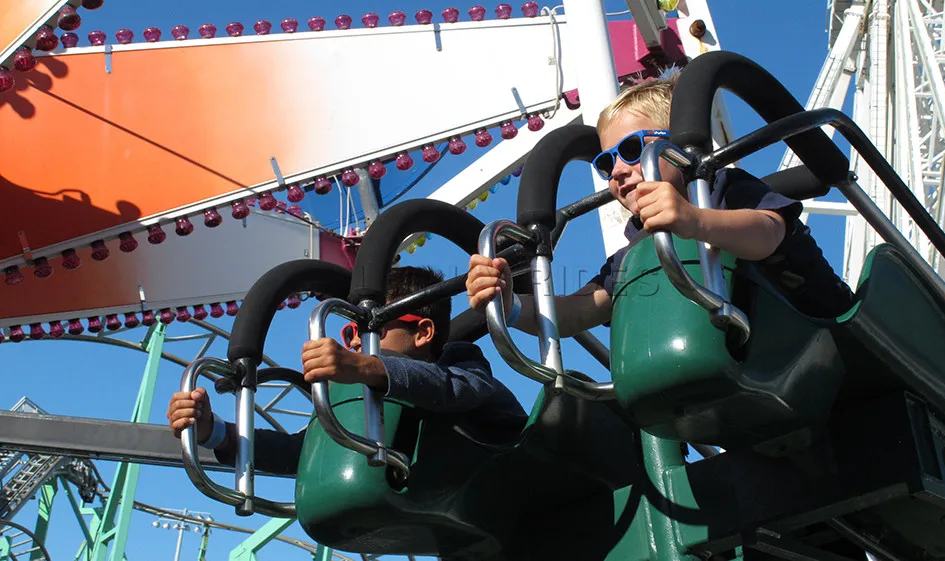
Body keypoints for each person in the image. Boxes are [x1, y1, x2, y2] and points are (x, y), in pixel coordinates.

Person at [466, 76, 854, 334]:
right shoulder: (638, 247)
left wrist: (695, 220)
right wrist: (511, 305)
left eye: (632, 150)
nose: (617, 171)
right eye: (606, 163)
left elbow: (770, 232)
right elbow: (583, 309)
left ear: (681, 145)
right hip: (749, 358)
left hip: (828, 328)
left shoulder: (725, 190)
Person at [167, 266, 527, 475]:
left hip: (521, 476)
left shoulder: (461, 361)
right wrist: (214, 433)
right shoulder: (364, 404)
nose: (356, 343)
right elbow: (302, 452)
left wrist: (368, 367)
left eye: (372, 331)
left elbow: (460, 390)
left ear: (423, 333)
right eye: (351, 332)